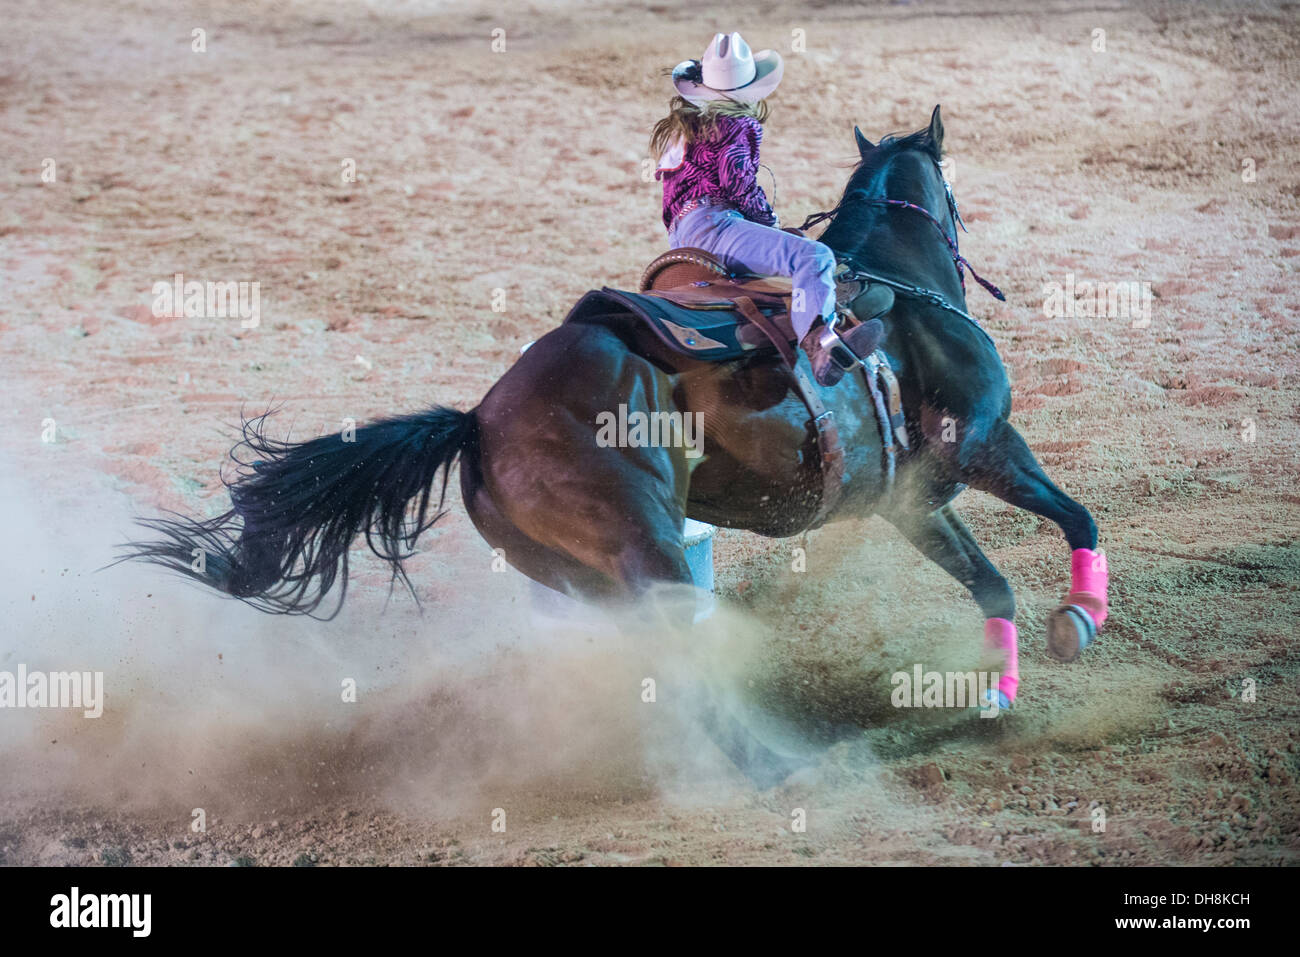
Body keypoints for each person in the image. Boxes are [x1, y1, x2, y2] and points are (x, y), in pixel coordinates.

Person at [650, 32, 883, 387]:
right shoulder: (736, 124)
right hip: (715, 225)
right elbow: (737, 181)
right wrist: (769, 222)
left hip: (682, 234)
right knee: (814, 257)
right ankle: (819, 344)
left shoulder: (687, 127)